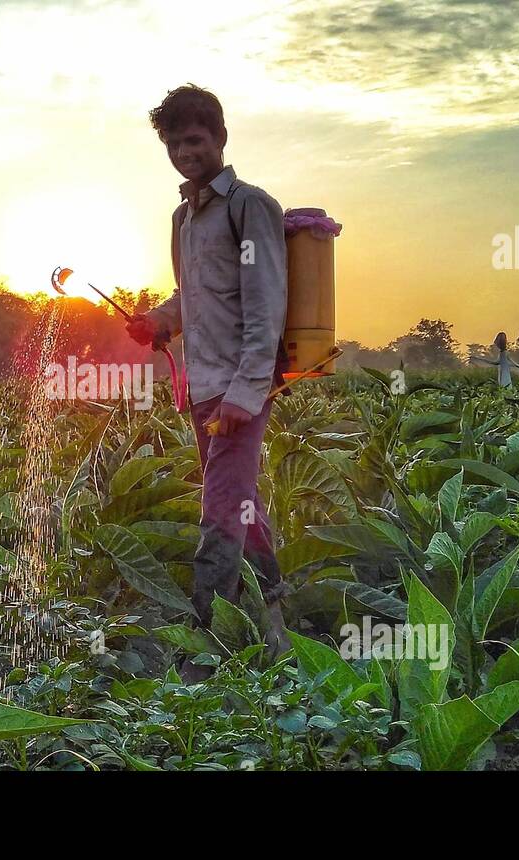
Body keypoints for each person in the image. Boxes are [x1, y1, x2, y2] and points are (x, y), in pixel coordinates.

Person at [125, 84, 290, 680]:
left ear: (219, 137)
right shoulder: (184, 218)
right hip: (202, 384)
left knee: (220, 506)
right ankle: (275, 628)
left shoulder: (251, 208)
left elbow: (266, 306)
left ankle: (205, 646)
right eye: (173, 144)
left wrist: (247, 395)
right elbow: (189, 296)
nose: (183, 153)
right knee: (241, 504)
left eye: (193, 140)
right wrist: (159, 322)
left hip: (239, 390)